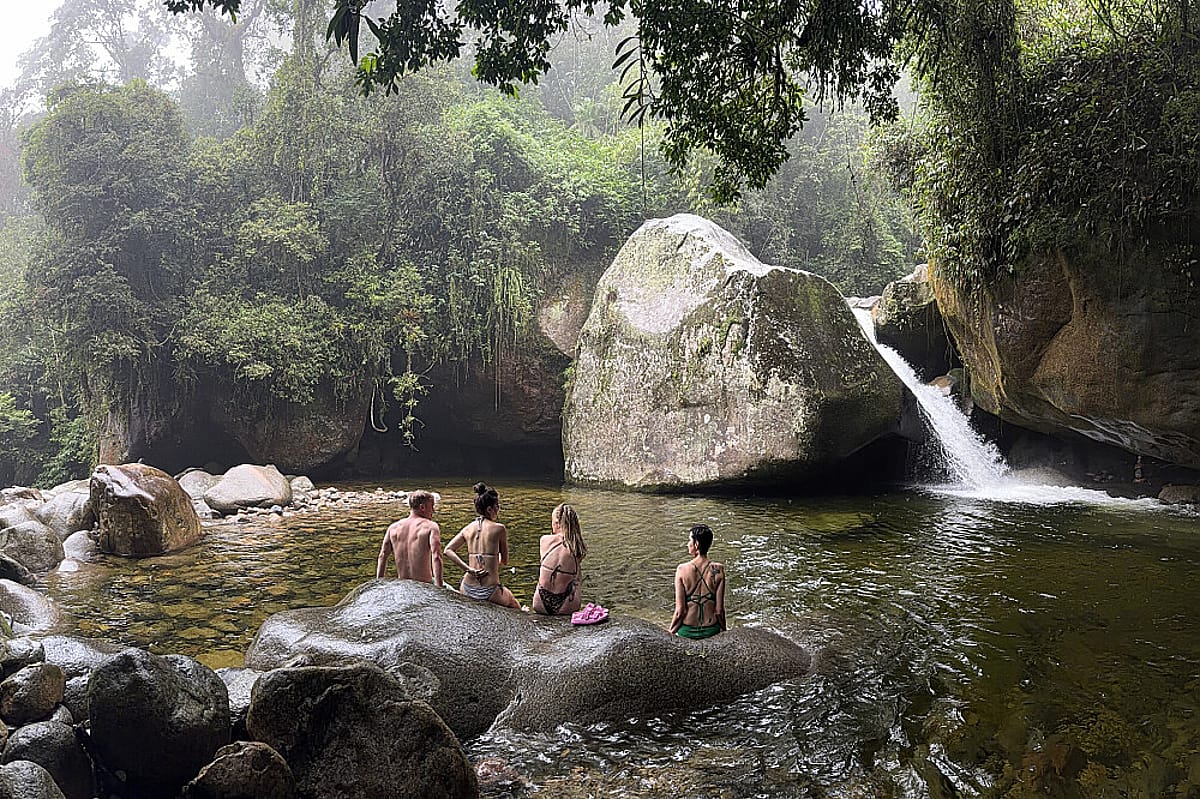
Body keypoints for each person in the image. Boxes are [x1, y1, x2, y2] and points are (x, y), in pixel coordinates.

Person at [443, 482, 520, 609]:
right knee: (514, 603)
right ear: (489, 509)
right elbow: (505, 561)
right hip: (490, 591)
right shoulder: (499, 529)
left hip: (467, 588)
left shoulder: (468, 528)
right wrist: (492, 562)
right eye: (497, 506)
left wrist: (469, 569)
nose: (498, 510)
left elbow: (448, 550)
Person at [669, 524, 726, 639]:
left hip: (687, 630)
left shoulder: (682, 570)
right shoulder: (719, 570)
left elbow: (680, 611)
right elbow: (719, 611)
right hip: (711, 630)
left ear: (696, 544)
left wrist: (670, 632)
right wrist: (725, 630)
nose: (687, 544)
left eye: (689, 540)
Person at [376, 490, 443, 587]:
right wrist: (439, 587)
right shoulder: (431, 527)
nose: (433, 511)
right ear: (422, 507)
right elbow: (436, 557)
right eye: (432, 507)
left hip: (404, 586)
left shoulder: (393, 527)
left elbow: (382, 556)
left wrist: (379, 584)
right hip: (424, 585)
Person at [532, 503, 586, 616]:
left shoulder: (544, 540)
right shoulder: (577, 547)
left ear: (556, 523)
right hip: (566, 605)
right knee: (577, 576)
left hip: (540, 603)